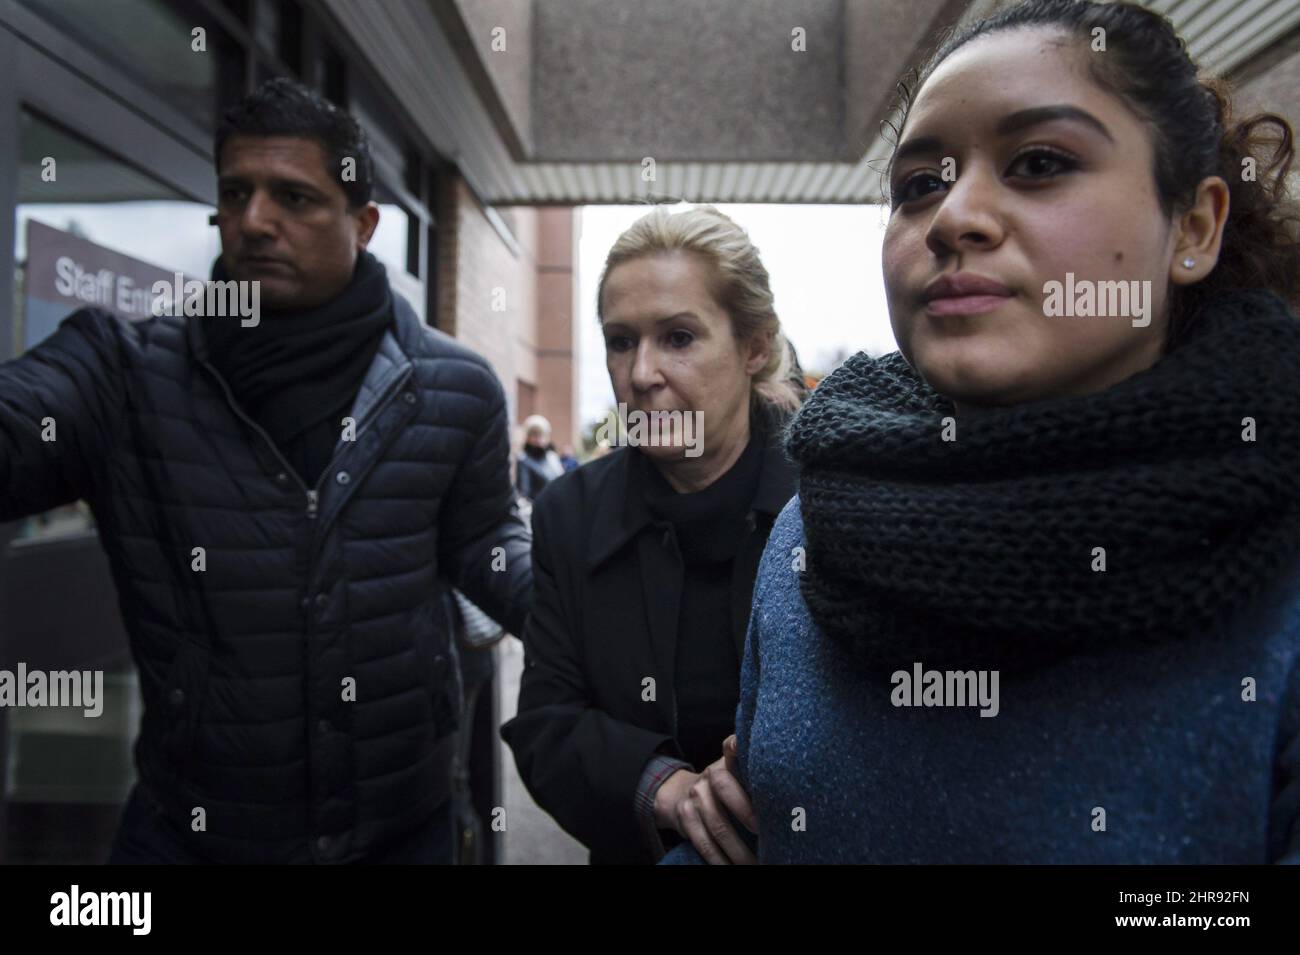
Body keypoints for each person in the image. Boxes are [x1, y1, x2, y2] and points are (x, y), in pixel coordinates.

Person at [666, 0, 1300, 863]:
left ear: (1194, 226)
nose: (953, 217)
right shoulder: (810, 534)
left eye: (1039, 162)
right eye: (918, 184)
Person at [0, 77, 532, 863]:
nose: (253, 221)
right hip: (192, 834)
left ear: (364, 222)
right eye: (236, 193)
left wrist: (590, 606)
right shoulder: (127, 371)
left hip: (400, 831)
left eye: (293, 196)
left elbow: (488, 545)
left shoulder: (455, 388)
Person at [501, 205, 802, 863]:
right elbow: (548, 723)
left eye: (679, 337)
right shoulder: (569, 515)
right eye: (620, 340)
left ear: (754, 346)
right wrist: (661, 787)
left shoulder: (829, 502)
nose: (640, 374)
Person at [515, 414, 566, 501]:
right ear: (528, 437)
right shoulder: (523, 459)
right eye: (534, 435)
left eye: (541, 435)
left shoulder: (552, 457)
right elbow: (524, 493)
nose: (538, 439)